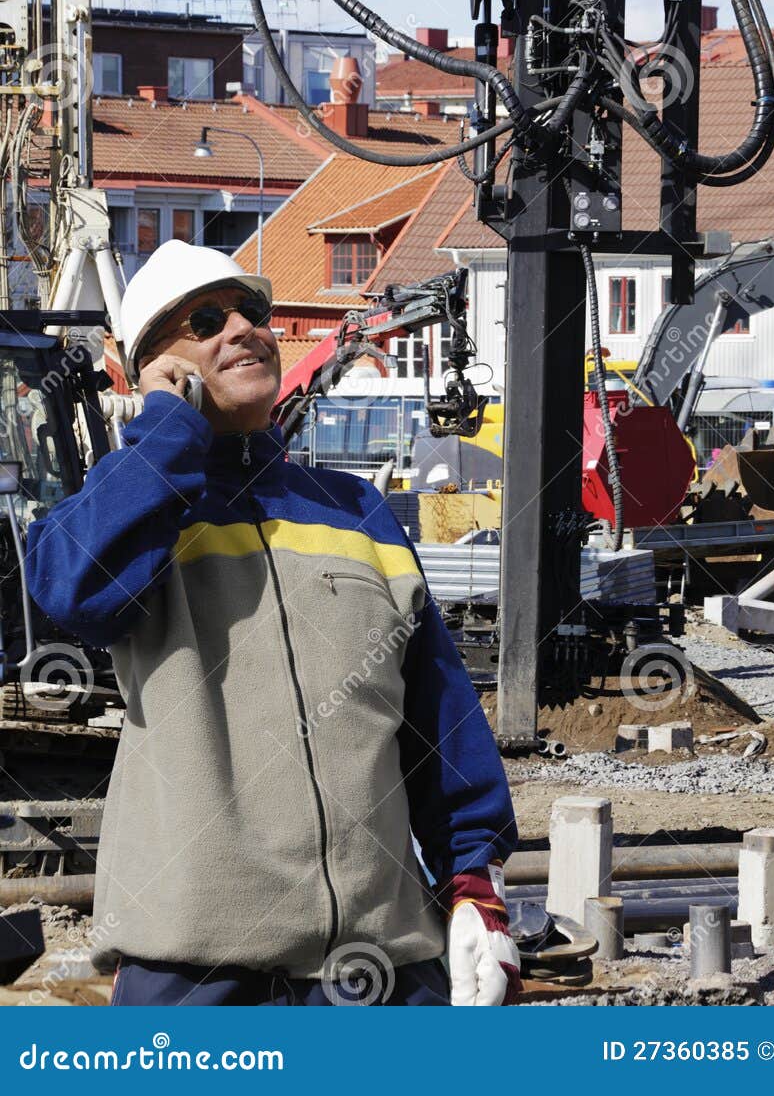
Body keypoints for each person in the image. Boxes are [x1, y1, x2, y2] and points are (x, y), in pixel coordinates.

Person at [25, 243, 520, 1008]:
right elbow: (71, 593)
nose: (243, 330)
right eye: (205, 320)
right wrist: (166, 436)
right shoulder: (131, 507)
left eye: (252, 312)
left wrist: (474, 886)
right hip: (195, 974)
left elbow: (438, 717)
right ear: (151, 368)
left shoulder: (355, 511)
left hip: (380, 967)